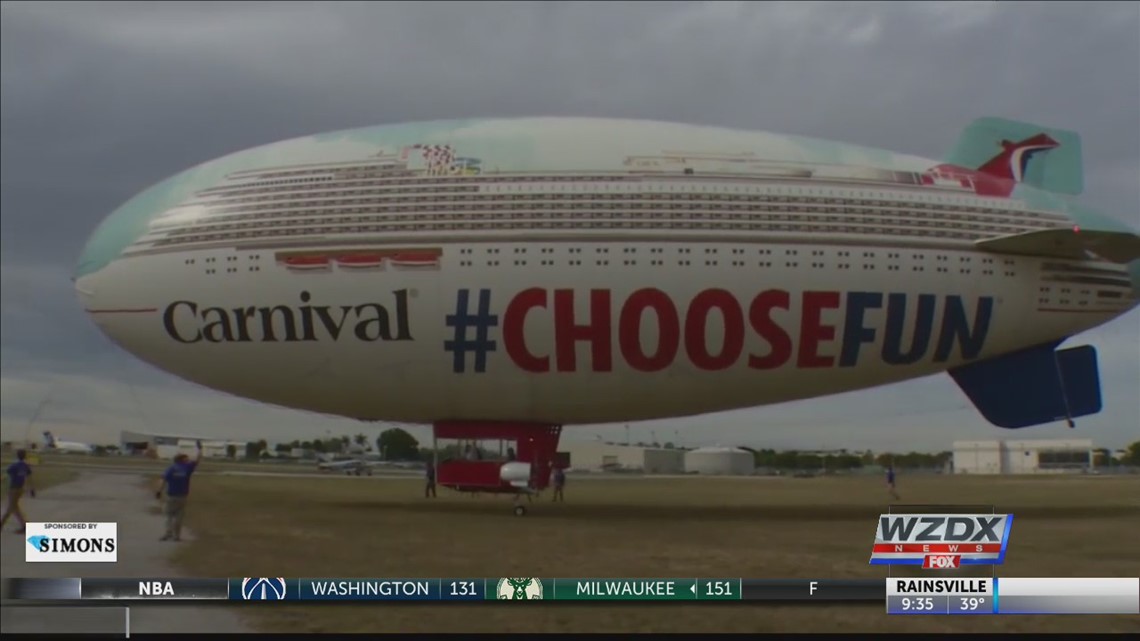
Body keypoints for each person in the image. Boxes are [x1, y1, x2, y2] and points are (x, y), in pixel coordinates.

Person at [156, 440, 202, 542]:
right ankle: (177, 536)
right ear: (182, 460)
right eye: (186, 458)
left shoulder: (171, 469)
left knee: (169, 516)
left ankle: (168, 533)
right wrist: (200, 449)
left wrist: (159, 491)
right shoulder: (187, 468)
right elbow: (198, 460)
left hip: (171, 495)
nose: (188, 460)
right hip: (183, 495)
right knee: (179, 517)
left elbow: (163, 480)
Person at [1, 449, 36, 533]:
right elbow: (29, 477)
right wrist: (32, 489)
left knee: (11, 508)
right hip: (20, 488)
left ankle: (25, 525)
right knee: (14, 507)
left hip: (13, 488)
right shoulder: (25, 466)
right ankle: (24, 525)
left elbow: (6, 475)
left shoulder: (14, 466)